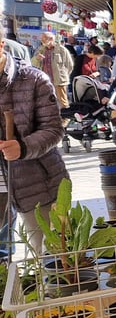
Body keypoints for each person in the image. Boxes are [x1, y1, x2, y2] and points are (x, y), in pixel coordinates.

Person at [0, 47, 70, 255]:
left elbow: (53, 130)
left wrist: (22, 147)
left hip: (37, 184)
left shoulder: (34, 79)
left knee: (52, 257)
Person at [32, 31, 74, 108]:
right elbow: (33, 63)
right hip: (45, 81)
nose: (42, 41)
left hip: (59, 81)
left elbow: (69, 65)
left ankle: (65, 115)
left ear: (51, 39)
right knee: (47, 101)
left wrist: (62, 76)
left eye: (44, 39)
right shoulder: (40, 50)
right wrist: (37, 58)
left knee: (63, 102)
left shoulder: (61, 50)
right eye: (41, 39)